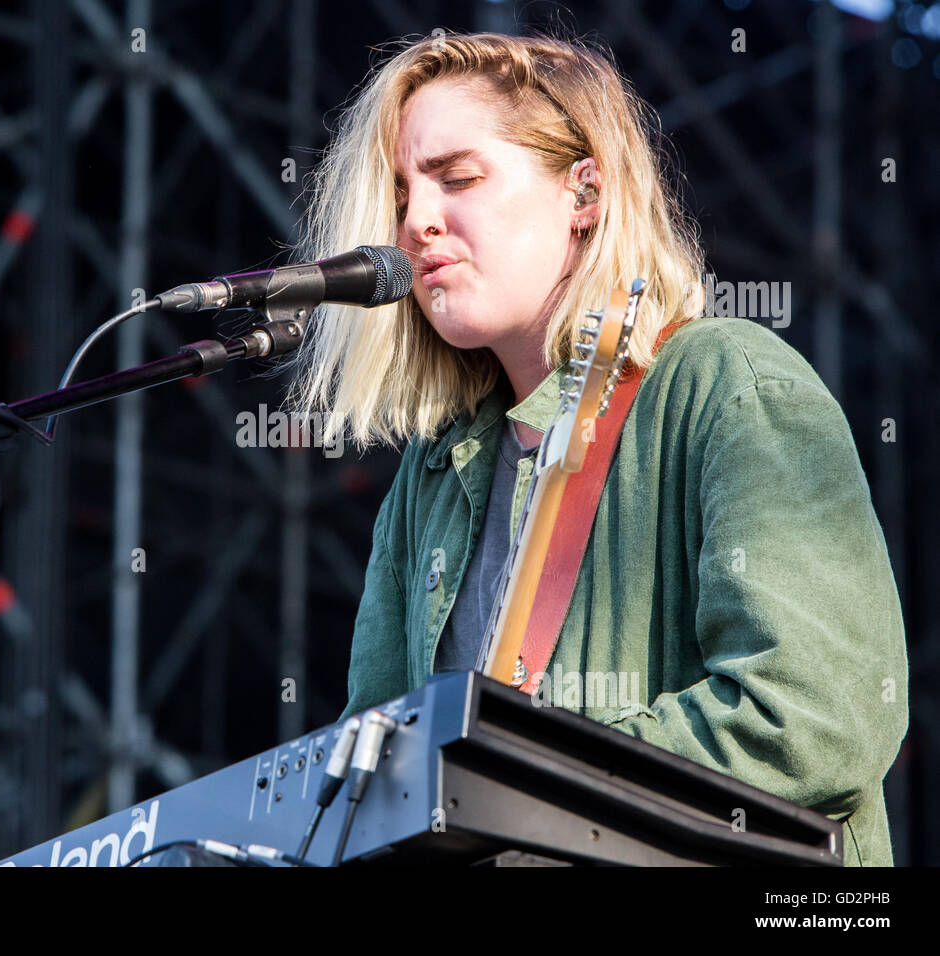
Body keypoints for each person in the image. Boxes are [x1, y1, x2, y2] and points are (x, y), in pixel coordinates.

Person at [286, 31, 908, 866]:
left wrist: (517, 778)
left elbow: (814, 720)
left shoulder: (731, 383)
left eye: (458, 178)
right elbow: (372, 794)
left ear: (584, 192)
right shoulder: (428, 480)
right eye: (400, 193)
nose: (416, 221)